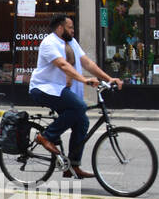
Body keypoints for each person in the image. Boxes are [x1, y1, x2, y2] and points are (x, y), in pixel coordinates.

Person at [28, 13, 122, 178]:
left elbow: (87, 62)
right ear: (60, 28)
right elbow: (63, 65)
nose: (73, 31)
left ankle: (72, 166)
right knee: (79, 106)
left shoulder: (71, 43)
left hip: (60, 89)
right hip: (44, 88)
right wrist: (84, 80)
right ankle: (46, 137)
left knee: (82, 121)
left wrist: (108, 78)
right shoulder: (49, 43)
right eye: (70, 27)